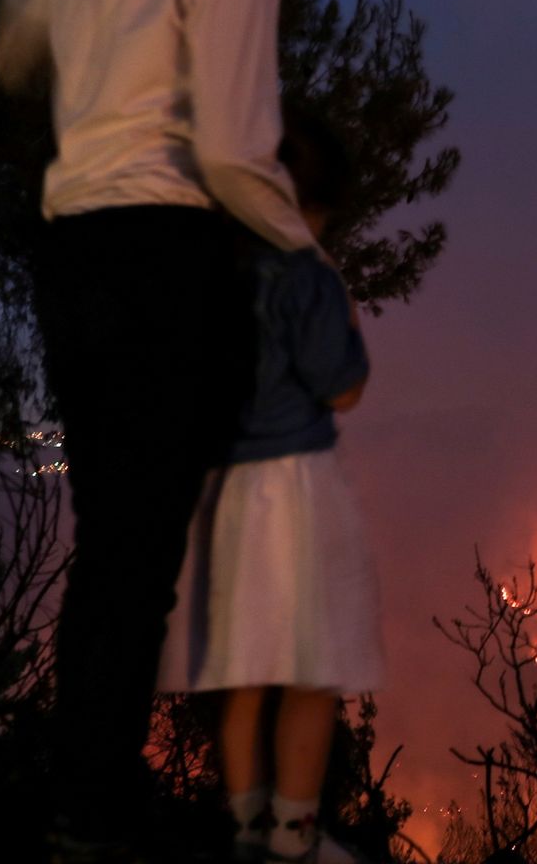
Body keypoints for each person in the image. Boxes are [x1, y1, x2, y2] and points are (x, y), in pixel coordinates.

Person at [0, 0, 323, 863]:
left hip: (71, 254)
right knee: (156, 543)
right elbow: (233, 151)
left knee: (114, 537)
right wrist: (303, 257)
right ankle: (94, 802)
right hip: (167, 256)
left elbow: (12, 55)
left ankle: (86, 782)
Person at [157, 112, 384, 864]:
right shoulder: (306, 274)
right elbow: (342, 388)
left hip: (226, 491)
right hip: (295, 490)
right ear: (315, 205)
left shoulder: (219, 267)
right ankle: (293, 837)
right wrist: (346, 319)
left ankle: (246, 825)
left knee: (243, 667)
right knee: (311, 667)